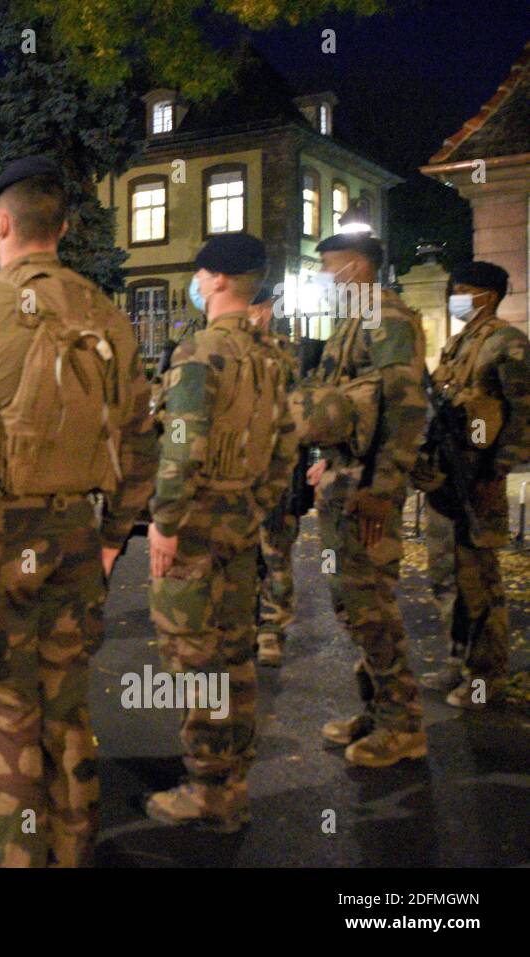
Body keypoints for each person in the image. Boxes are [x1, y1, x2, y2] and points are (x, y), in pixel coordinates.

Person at [0, 155, 157, 867]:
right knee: (67, 708)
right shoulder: (110, 315)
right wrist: (111, 539)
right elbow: (141, 442)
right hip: (76, 535)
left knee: (7, 717)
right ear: (65, 226)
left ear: (1, 224)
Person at [146, 234, 296, 832]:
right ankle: (232, 777)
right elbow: (285, 446)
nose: (197, 282)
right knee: (235, 653)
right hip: (241, 521)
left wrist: (165, 520)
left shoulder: (200, 352)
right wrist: (256, 503)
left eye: (200, 273)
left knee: (194, 658)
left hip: (197, 529)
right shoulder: (272, 356)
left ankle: (208, 792)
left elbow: (182, 445)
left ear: (216, 280)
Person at [294, 232, 428, 767]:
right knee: (352, 602)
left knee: (369, 602)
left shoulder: (386, 318)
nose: (323, 278)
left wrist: (383, 488)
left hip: (367, 489)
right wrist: (330, 456)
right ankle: (377, 710)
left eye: (328, 268)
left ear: (354, 267)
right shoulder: (356, 320)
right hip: (347, 479)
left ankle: (404, 723)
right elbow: (348, 403)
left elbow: (407, 407)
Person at [413, 261, 530, 709]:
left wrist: (497, 470)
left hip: (478, 479)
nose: (455, 298)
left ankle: (486, 676)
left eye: (463, 290)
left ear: (489, 294)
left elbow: (524, 416)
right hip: (445, 474)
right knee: (445, 575)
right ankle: (457, 659)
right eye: (454, 290)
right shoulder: (460, 343)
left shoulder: (507, 343)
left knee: (478, 579)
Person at [250, 285, 301, 667]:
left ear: (267, 310)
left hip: (276, 467)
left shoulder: (285, 352)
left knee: (275, 551)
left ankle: (272, 629)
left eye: (257, 307)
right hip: (235, 471)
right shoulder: (217, 347)